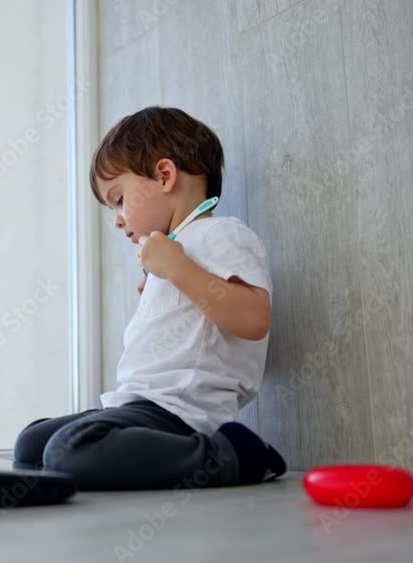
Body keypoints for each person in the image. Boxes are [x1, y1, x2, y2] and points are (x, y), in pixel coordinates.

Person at [14, 107, 285, 490]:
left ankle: (232, 456)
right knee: (30, 444)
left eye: (119, 199)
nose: (117, 219)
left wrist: (177, 270)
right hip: (141, 402)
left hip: (181, 410)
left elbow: (255, 319)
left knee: (67, 450)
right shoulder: (175, 250)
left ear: (164, 176)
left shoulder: (221, 234)